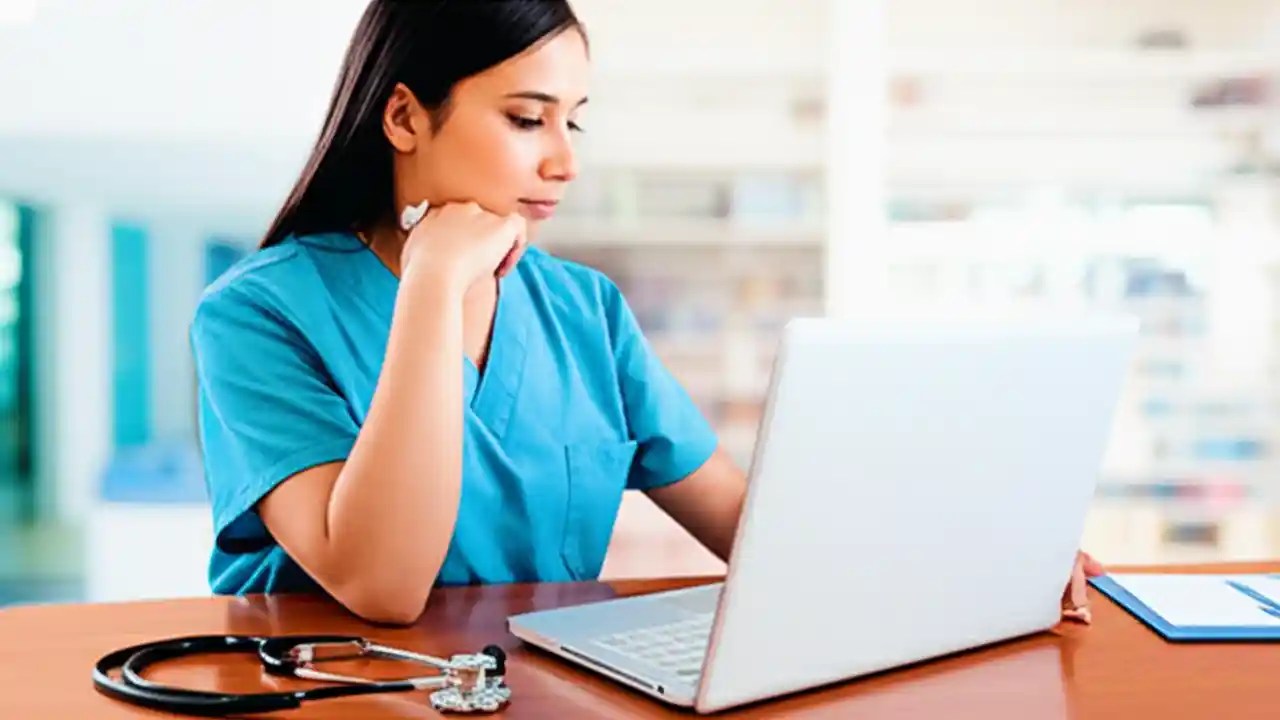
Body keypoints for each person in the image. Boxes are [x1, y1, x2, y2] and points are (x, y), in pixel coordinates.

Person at [190, 0, 1101, 625]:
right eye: (525, 118)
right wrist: (434, 282)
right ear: (402, 118)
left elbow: (759, 530)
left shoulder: (585, 311)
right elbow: (382, 585)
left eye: (572, 122)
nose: (563, 162)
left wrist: (979, 560)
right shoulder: (258, 315)